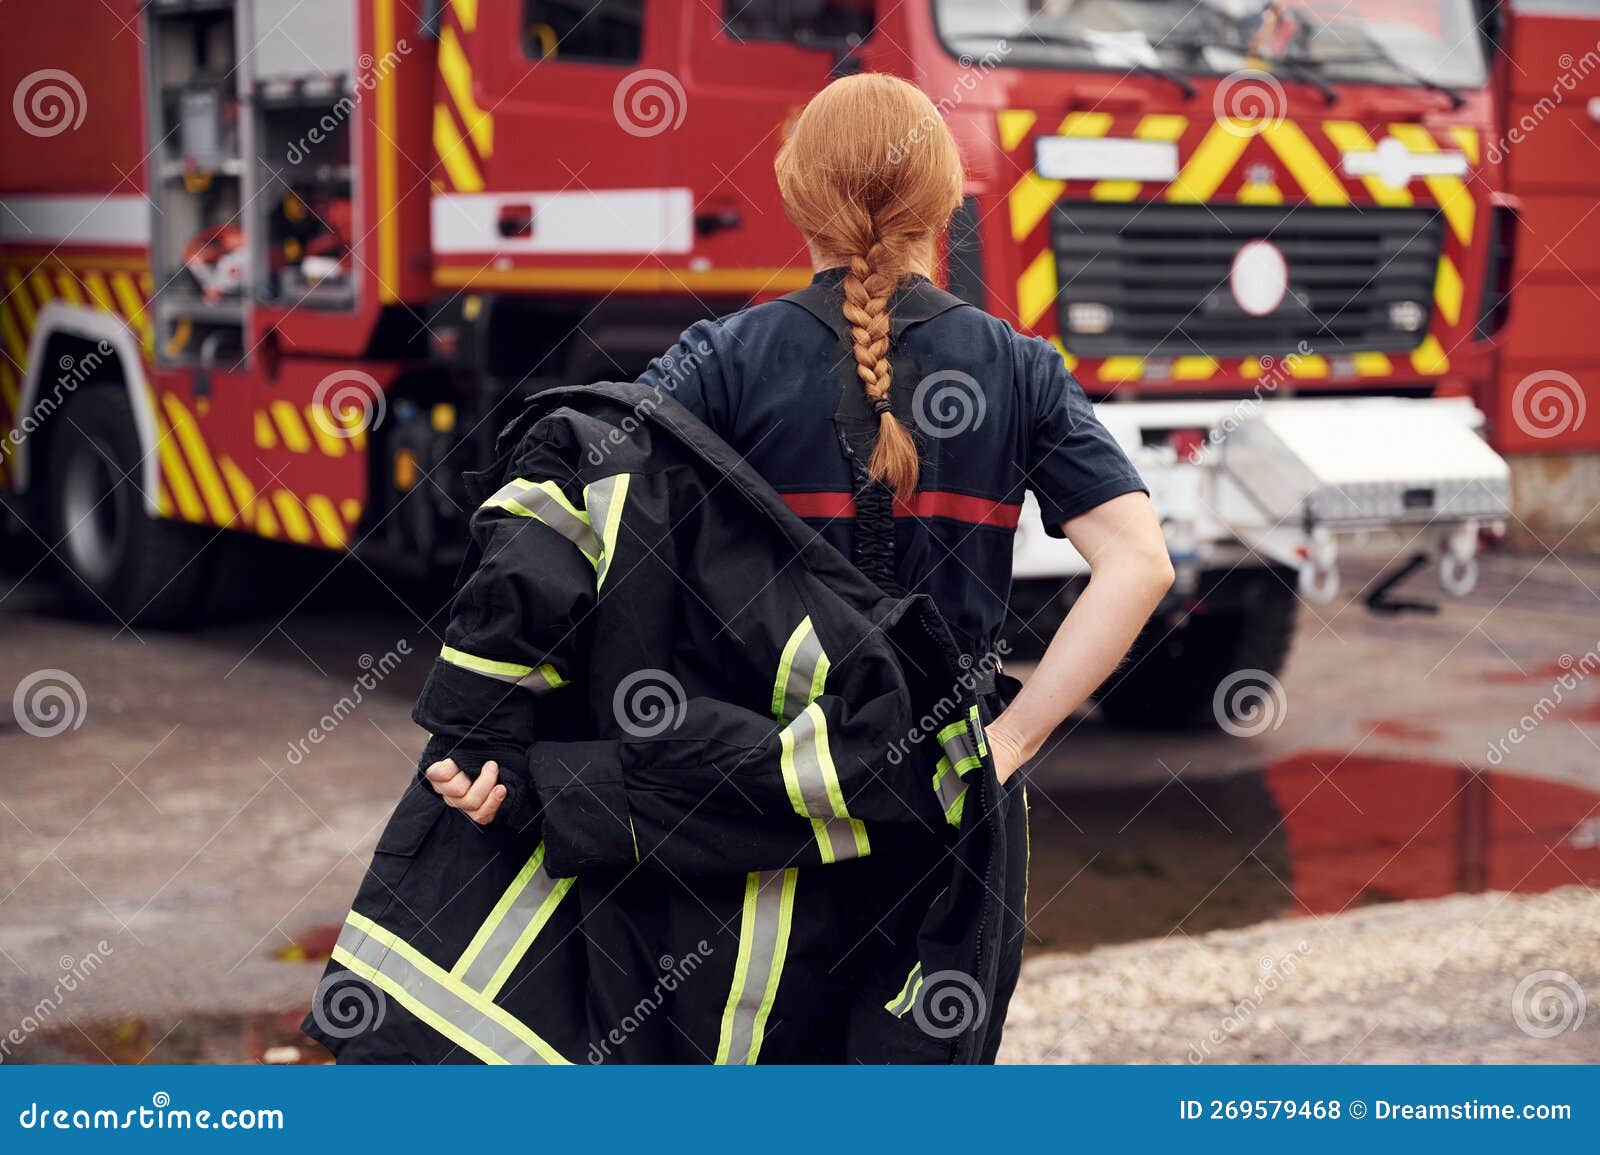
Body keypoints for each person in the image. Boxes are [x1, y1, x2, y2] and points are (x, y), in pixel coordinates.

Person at [415, 73, 1172, 1059]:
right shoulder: (1017, 368)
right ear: (943, 201)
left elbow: (573, 517)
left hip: (752, 799)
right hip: (943, 803)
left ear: (794, 195)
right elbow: (1138, 565)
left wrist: (491, 735)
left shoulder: (721, 359)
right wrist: (1014, 738)